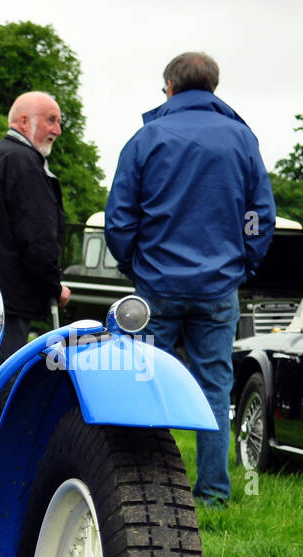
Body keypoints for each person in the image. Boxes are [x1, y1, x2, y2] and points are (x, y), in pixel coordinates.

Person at [106, 52, 275, 505]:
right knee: (216, 389)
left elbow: (120, 218)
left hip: (157, 285)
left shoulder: (148, 137)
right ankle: (213, 493)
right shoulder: (242, 139)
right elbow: (258, 215)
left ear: (171, 87)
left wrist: (134, 266)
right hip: (220, 286)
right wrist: (245, 262)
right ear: (213, 87)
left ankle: (145, 490)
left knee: (145, 383)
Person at [0, 91, 71, 366]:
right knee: (6, 388)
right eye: (51, 120)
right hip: (9, 300)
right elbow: (38, 238)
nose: (57, 130)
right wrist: (54, 287)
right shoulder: (25, 164)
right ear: (24, 121)